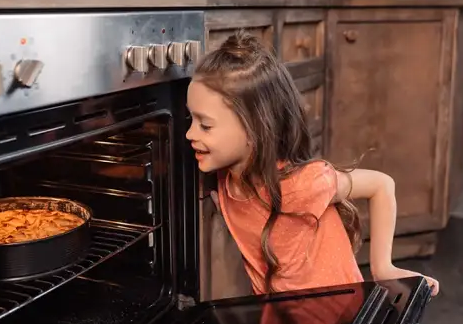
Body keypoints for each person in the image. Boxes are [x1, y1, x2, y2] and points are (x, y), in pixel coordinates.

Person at [185, 30, 439, 297]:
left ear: (255, 130)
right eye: (190, 119)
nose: (190, 134)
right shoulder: (227, 178)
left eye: (205, 125)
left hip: (338, 319)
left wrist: (383, 268)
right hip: (283, 320)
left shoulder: (302, 184)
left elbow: (381, 184)